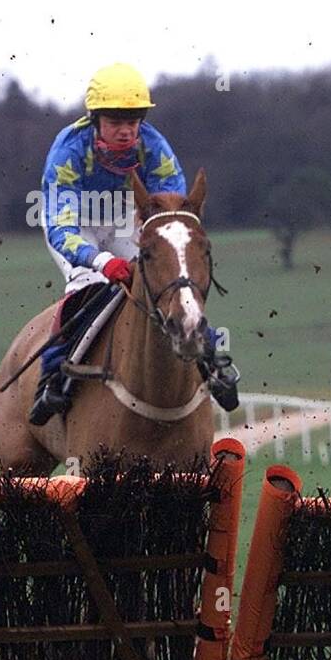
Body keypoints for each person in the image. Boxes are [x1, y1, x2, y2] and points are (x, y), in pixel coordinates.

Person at [28, 63, 239, 425]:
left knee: (172, 281)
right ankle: (54, 374)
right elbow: (62, 228)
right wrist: (101, 262)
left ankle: (211, 354)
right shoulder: (68, 151)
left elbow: (175, 214)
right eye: (115, 121)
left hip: (129, 221)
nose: (126, 131)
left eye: (133, 120)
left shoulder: (154, 148)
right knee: (89, 288)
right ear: (95, 120)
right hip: (77, 225)